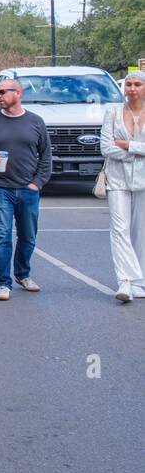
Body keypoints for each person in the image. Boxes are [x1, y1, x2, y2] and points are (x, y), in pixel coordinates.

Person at [0, 78, 52, 301]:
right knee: (1, 235)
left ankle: (23, 274)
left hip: (28, 188)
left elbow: (45, 155)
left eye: (2, 92)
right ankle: (2, 283)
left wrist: (37, 182)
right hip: (0, 187)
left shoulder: (35, 121)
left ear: (17, 93)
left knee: (28, 235)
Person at [101, 70, 145, 302]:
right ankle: (125, 281)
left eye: (137, 84)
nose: (132, 88)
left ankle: (139, 282)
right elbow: (106, 148)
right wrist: (136, 154)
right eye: (129, 84)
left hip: (143, 181)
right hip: (117, 178)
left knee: (141, 231)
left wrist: (129, 145)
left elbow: (120, 146)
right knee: (119, 229)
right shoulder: (113, 112)